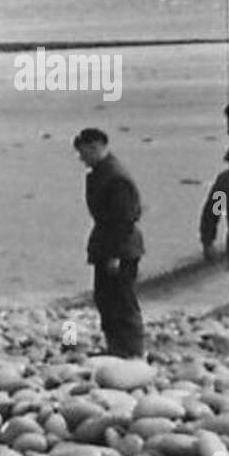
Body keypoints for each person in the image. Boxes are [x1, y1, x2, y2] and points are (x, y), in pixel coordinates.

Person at [74, 127, 145, 358]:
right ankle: (116, 346)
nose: (81, 158)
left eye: (83, 152)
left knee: (122, 299)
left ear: (95, 147)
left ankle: (130, 349)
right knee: (105, 297)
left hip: (119, 248)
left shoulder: (115, 177)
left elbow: (123, 218)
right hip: (108, 245)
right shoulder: (102, 172)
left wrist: (115, 255)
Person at [200, 103, 229, 294]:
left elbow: (214, 212)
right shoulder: (225, 183)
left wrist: (208, 240)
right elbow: (214, 211)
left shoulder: (225, 183)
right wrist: (208, 240)